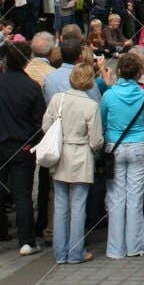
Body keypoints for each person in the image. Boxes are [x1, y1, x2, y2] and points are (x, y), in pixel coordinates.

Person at [0, 42, 44, 257]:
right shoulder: (31, 86)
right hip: (21, 146)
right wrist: (33, 143)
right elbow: (39, 122)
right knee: (22, 194)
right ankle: (27, 241)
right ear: (27, 61)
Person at [41, 60, 104, 265]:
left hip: (60, 154)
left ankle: (60, 253)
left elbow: (45, 126)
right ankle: (76, 252)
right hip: (81, 155)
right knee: (78, 206)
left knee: (60, 205)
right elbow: (96, 141)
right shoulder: (91, 105)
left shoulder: (57, 99)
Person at [99, 52, 144, 259]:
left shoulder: (109, 95)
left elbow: (103, 119)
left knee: (115, 197)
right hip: (139, 144)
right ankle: (135, 245)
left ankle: (115, 248)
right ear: (139, 72)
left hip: (115, 146)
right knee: (135, 196)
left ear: (119, 71)